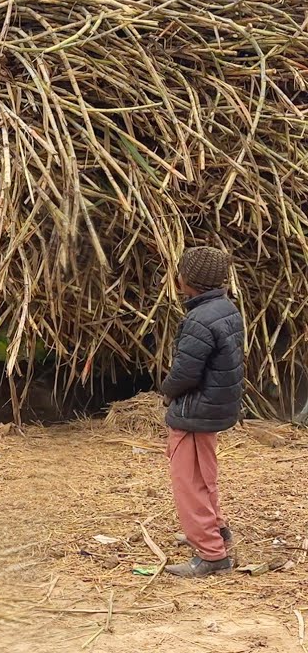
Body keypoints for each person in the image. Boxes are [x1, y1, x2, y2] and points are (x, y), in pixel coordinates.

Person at [160, 246, 244, 578]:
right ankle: (216, 529)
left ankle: (211, 553)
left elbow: (185, 373)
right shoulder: (226, 308)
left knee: (188, 479)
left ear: (187, 281)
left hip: (194, 411)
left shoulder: (198, 319)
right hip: (214, 408)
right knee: (205, 474)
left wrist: (167, 393)